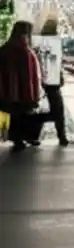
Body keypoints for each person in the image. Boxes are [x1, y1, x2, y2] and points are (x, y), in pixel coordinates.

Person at [0, 21, 43, 152]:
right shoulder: (24, 50)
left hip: (10, 91)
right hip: (23, 91)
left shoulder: (5, 49)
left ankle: (19, 138)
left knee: (17, 114)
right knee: (21, 114)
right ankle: (22, 137)